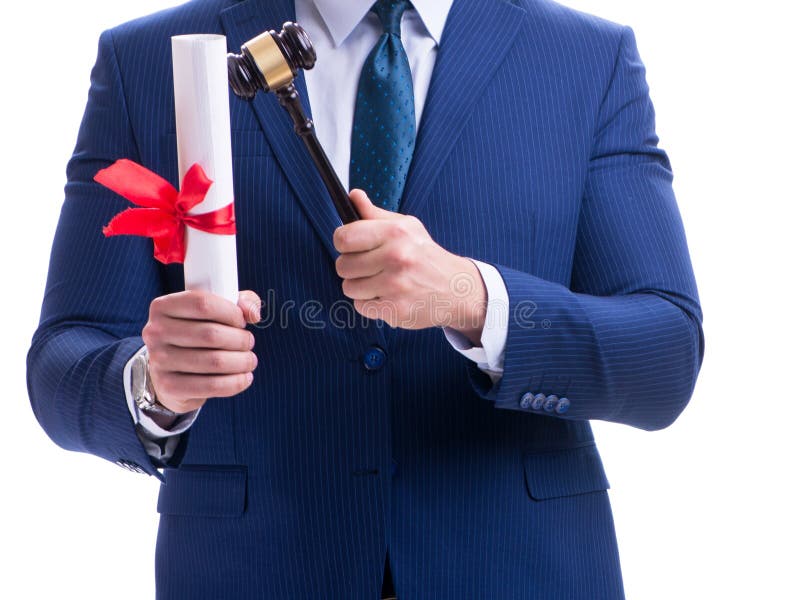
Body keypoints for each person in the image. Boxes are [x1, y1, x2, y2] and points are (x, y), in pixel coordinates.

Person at [27, 0, 704, 598]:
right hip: (253, 571)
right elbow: (63, 360)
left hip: (519, 568)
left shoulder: (588, 58)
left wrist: (476, 299)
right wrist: (154, 384)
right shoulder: (145, 59)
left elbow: (665, 354)